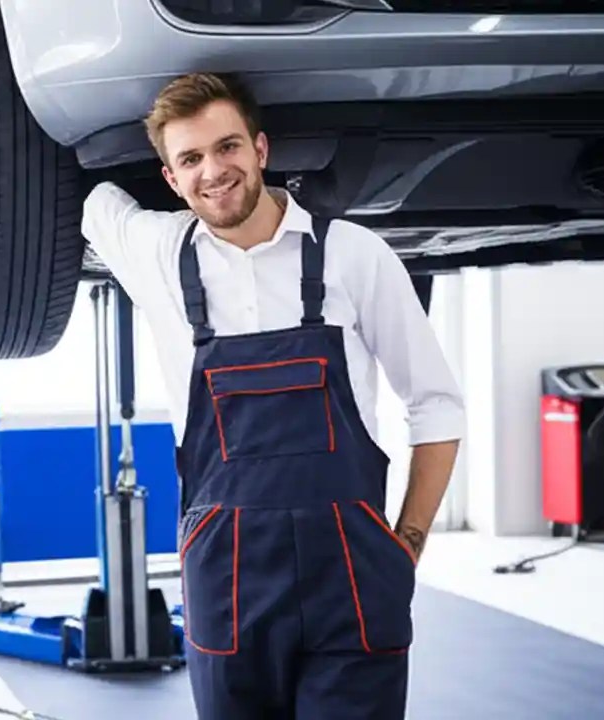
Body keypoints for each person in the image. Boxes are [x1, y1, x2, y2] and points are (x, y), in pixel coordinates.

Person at [80, 72, 465, 719]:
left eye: (227, 147)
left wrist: (409, 543)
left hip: (353, 576)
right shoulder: (156, 252)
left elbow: (437, 404)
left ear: (260, 149)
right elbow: (97, 202)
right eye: (191, 158)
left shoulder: (353, 256)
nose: (213, 170)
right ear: (171, 180)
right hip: (228, 584)